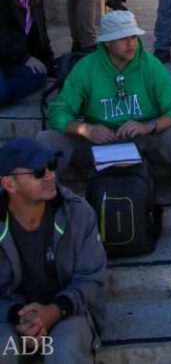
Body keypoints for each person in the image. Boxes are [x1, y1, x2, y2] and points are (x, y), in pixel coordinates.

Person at [37, 10, 171, 256]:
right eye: (123, 38)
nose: (132, 42)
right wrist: (84, 128)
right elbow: (59, 111)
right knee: (44, 142)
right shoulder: (87, 68)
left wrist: (150, 126)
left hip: (143, 137)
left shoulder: (149, 65)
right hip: (99, 140)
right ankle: (38, 223)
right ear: (107, 42)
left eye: (133, 36)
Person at [0, 137, 106, 363]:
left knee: (64, 350)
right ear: (9, 184)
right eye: (38, 171)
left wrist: (53, 312)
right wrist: (20, 315)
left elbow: (91, 279)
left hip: (69, 311)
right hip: (8, 315)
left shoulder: (77, 213)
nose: (50, 175)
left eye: (52, 166)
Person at [0, 0, 53, 107]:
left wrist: (50, 64)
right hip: (9, 58)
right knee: (2, 94)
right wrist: (24, 58)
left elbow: (41, 36)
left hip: (12, 61)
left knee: (40, 74)